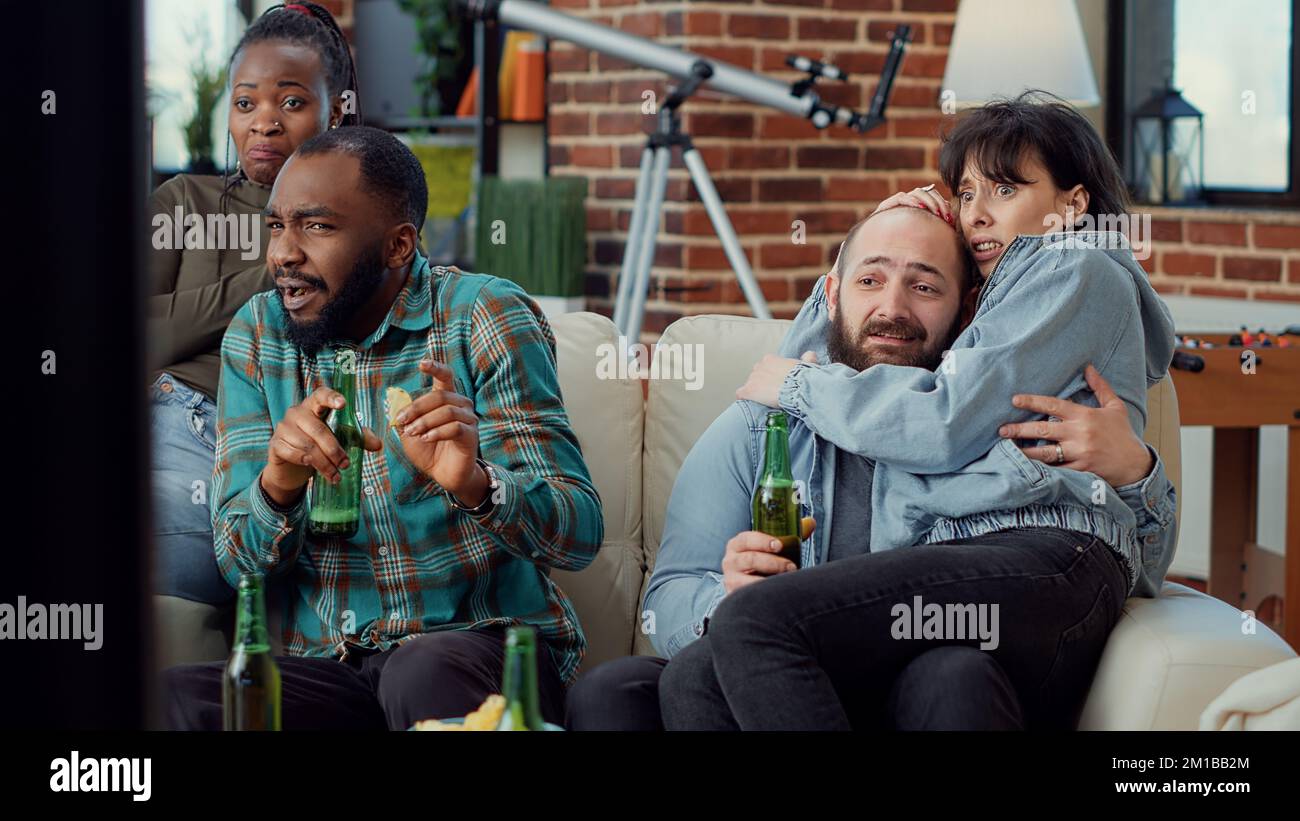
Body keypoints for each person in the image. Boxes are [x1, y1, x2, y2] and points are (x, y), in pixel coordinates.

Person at [568, 92, 1177, 731]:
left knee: (937, 668)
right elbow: (667, 600)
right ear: (831, 295)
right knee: (696, 659)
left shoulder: (1054, 287)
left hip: (1008, 590)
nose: (892, 306)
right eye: (966, 196)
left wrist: (1140, 477)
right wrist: (723, 599)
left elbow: (944, 427)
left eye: (924, 284)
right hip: (838, 654)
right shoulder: (768, 423)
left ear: (968, 312)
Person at [163, 127, 602, 730]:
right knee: (174, 700)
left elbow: (577, 532)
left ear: (398, 246)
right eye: (275, 226)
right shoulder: (258, 333)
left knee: (419, 671)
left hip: (469, 652)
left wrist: (477, 484)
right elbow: (239, 567)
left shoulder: (482, 314)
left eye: (315, 227)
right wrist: (277, 488)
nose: (283, 253)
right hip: (328, 669)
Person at [149, 2, 359, 606]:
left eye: (291, 102)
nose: (264, 123)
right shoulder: (186, 202)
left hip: (288, 446)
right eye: (246, 103)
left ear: (336, 109)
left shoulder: (364, 221)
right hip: (179, 424)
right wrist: (270, 270)